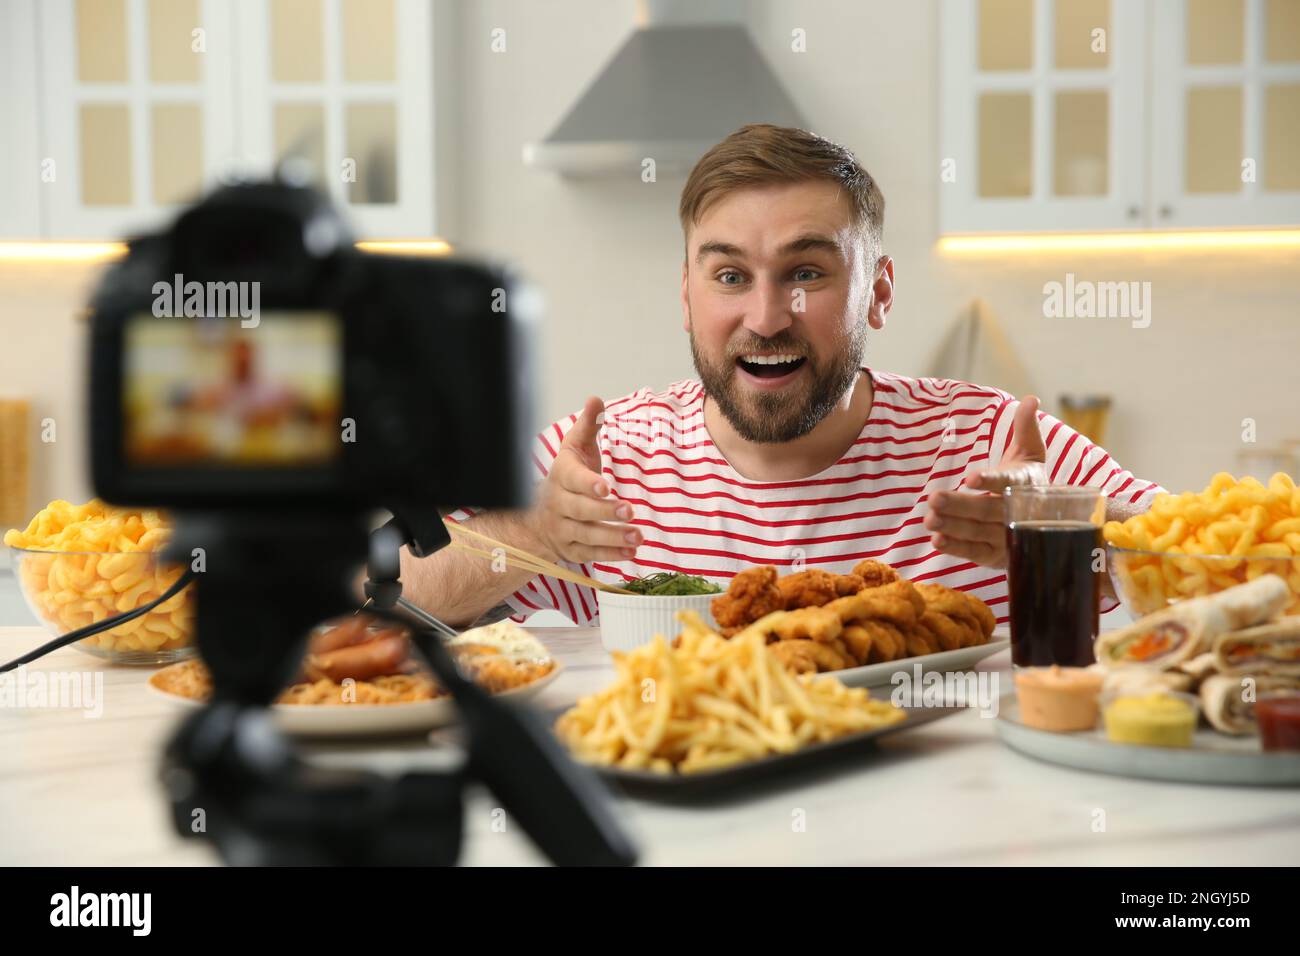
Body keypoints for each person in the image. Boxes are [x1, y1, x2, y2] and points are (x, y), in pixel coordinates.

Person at [403, 124, 1162, 628]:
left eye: (805, 272)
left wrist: (1085, 545)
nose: (766, 317)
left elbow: (1252, 578)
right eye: (730, 275)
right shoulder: (602, 461)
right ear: (687, 295)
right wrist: (535, 531)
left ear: (880, 292)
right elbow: (385, 601)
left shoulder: (993, 442)